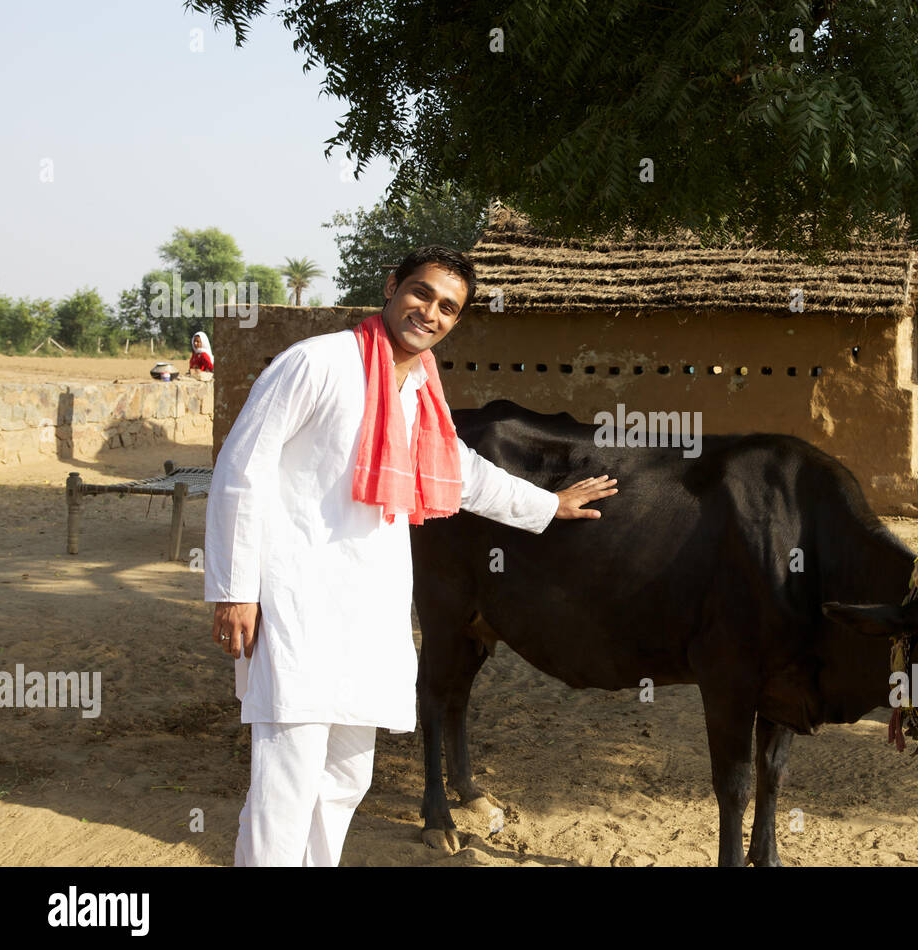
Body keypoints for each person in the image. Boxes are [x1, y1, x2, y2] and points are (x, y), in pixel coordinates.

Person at [204, 245, 617, 867]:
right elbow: (241, 469)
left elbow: (462, 472)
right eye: (421, 293)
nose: (431, 312)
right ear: (393, 286)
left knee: (346, 778)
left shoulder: (420, 389)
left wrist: (546, 507)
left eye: (448, 307)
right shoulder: (318, 363)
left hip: (370, 606)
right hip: (297, 601)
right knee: (286, 779)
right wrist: (235, 589)